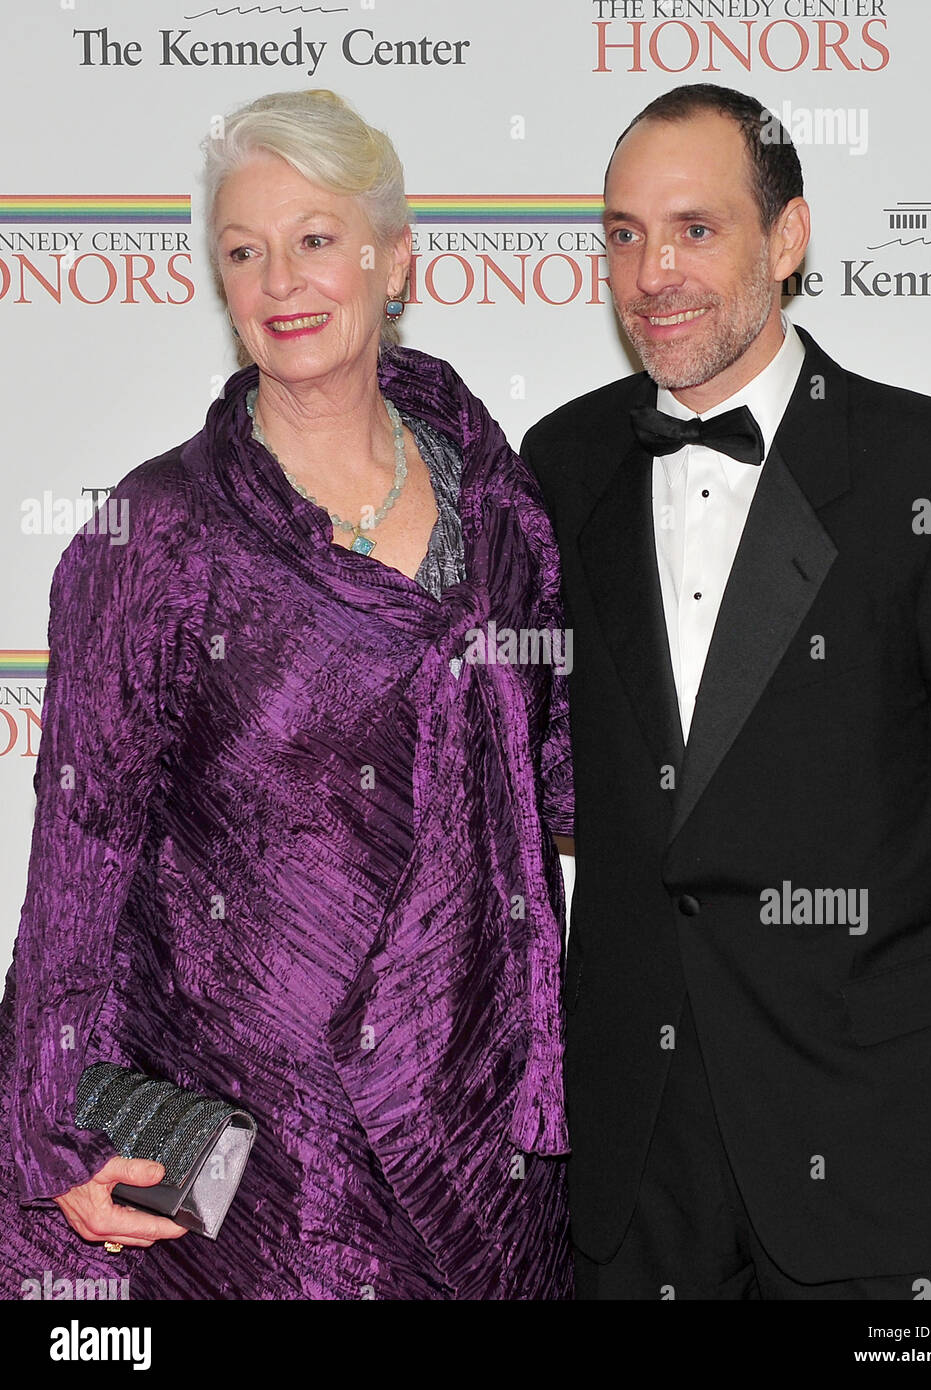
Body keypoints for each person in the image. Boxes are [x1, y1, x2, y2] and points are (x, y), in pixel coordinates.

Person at [0, 88, 573, 1300]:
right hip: (252, 1155)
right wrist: (54, 1136)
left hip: (480, 1133)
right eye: (244, 252)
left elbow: (570, 769)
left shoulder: (498, 502)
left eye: (313, 239)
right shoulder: (150, 536)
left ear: (391, 255)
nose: (279, 282)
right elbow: (78, 863)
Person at [521, 82, 931, 1300]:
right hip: (633, 1167)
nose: (652, 272)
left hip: (881, 1160)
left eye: (695, 229)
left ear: (787, 238)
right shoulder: (557, 465)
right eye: (623, 233)